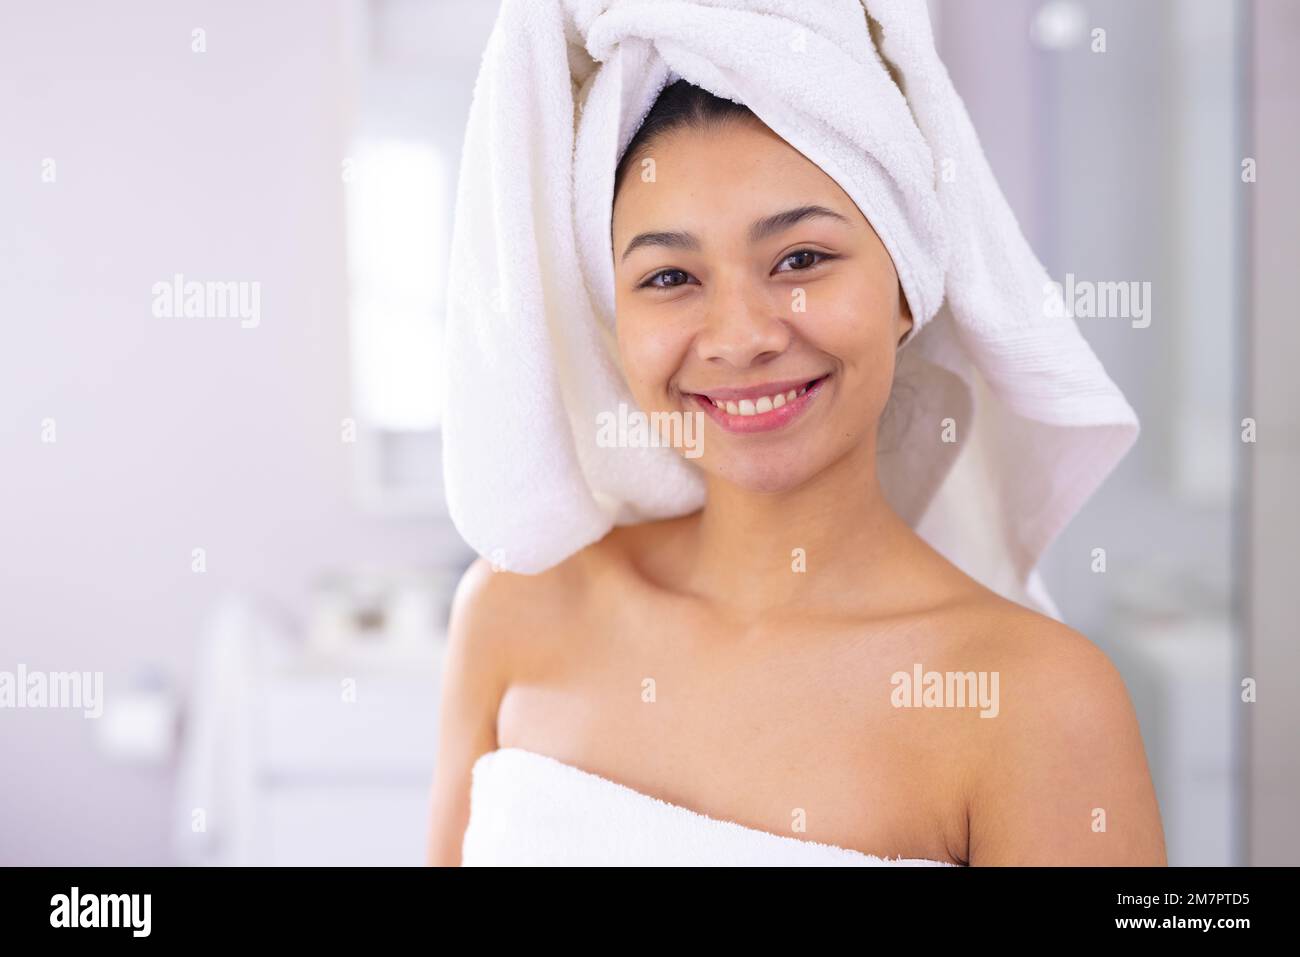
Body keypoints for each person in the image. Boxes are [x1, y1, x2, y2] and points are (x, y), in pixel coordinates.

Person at [425, 78, 1167, 867]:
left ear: (906, 288)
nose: (740, 338)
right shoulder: (516, 610)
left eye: (801, 259)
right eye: (670, 277)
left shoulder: (1034, 702)